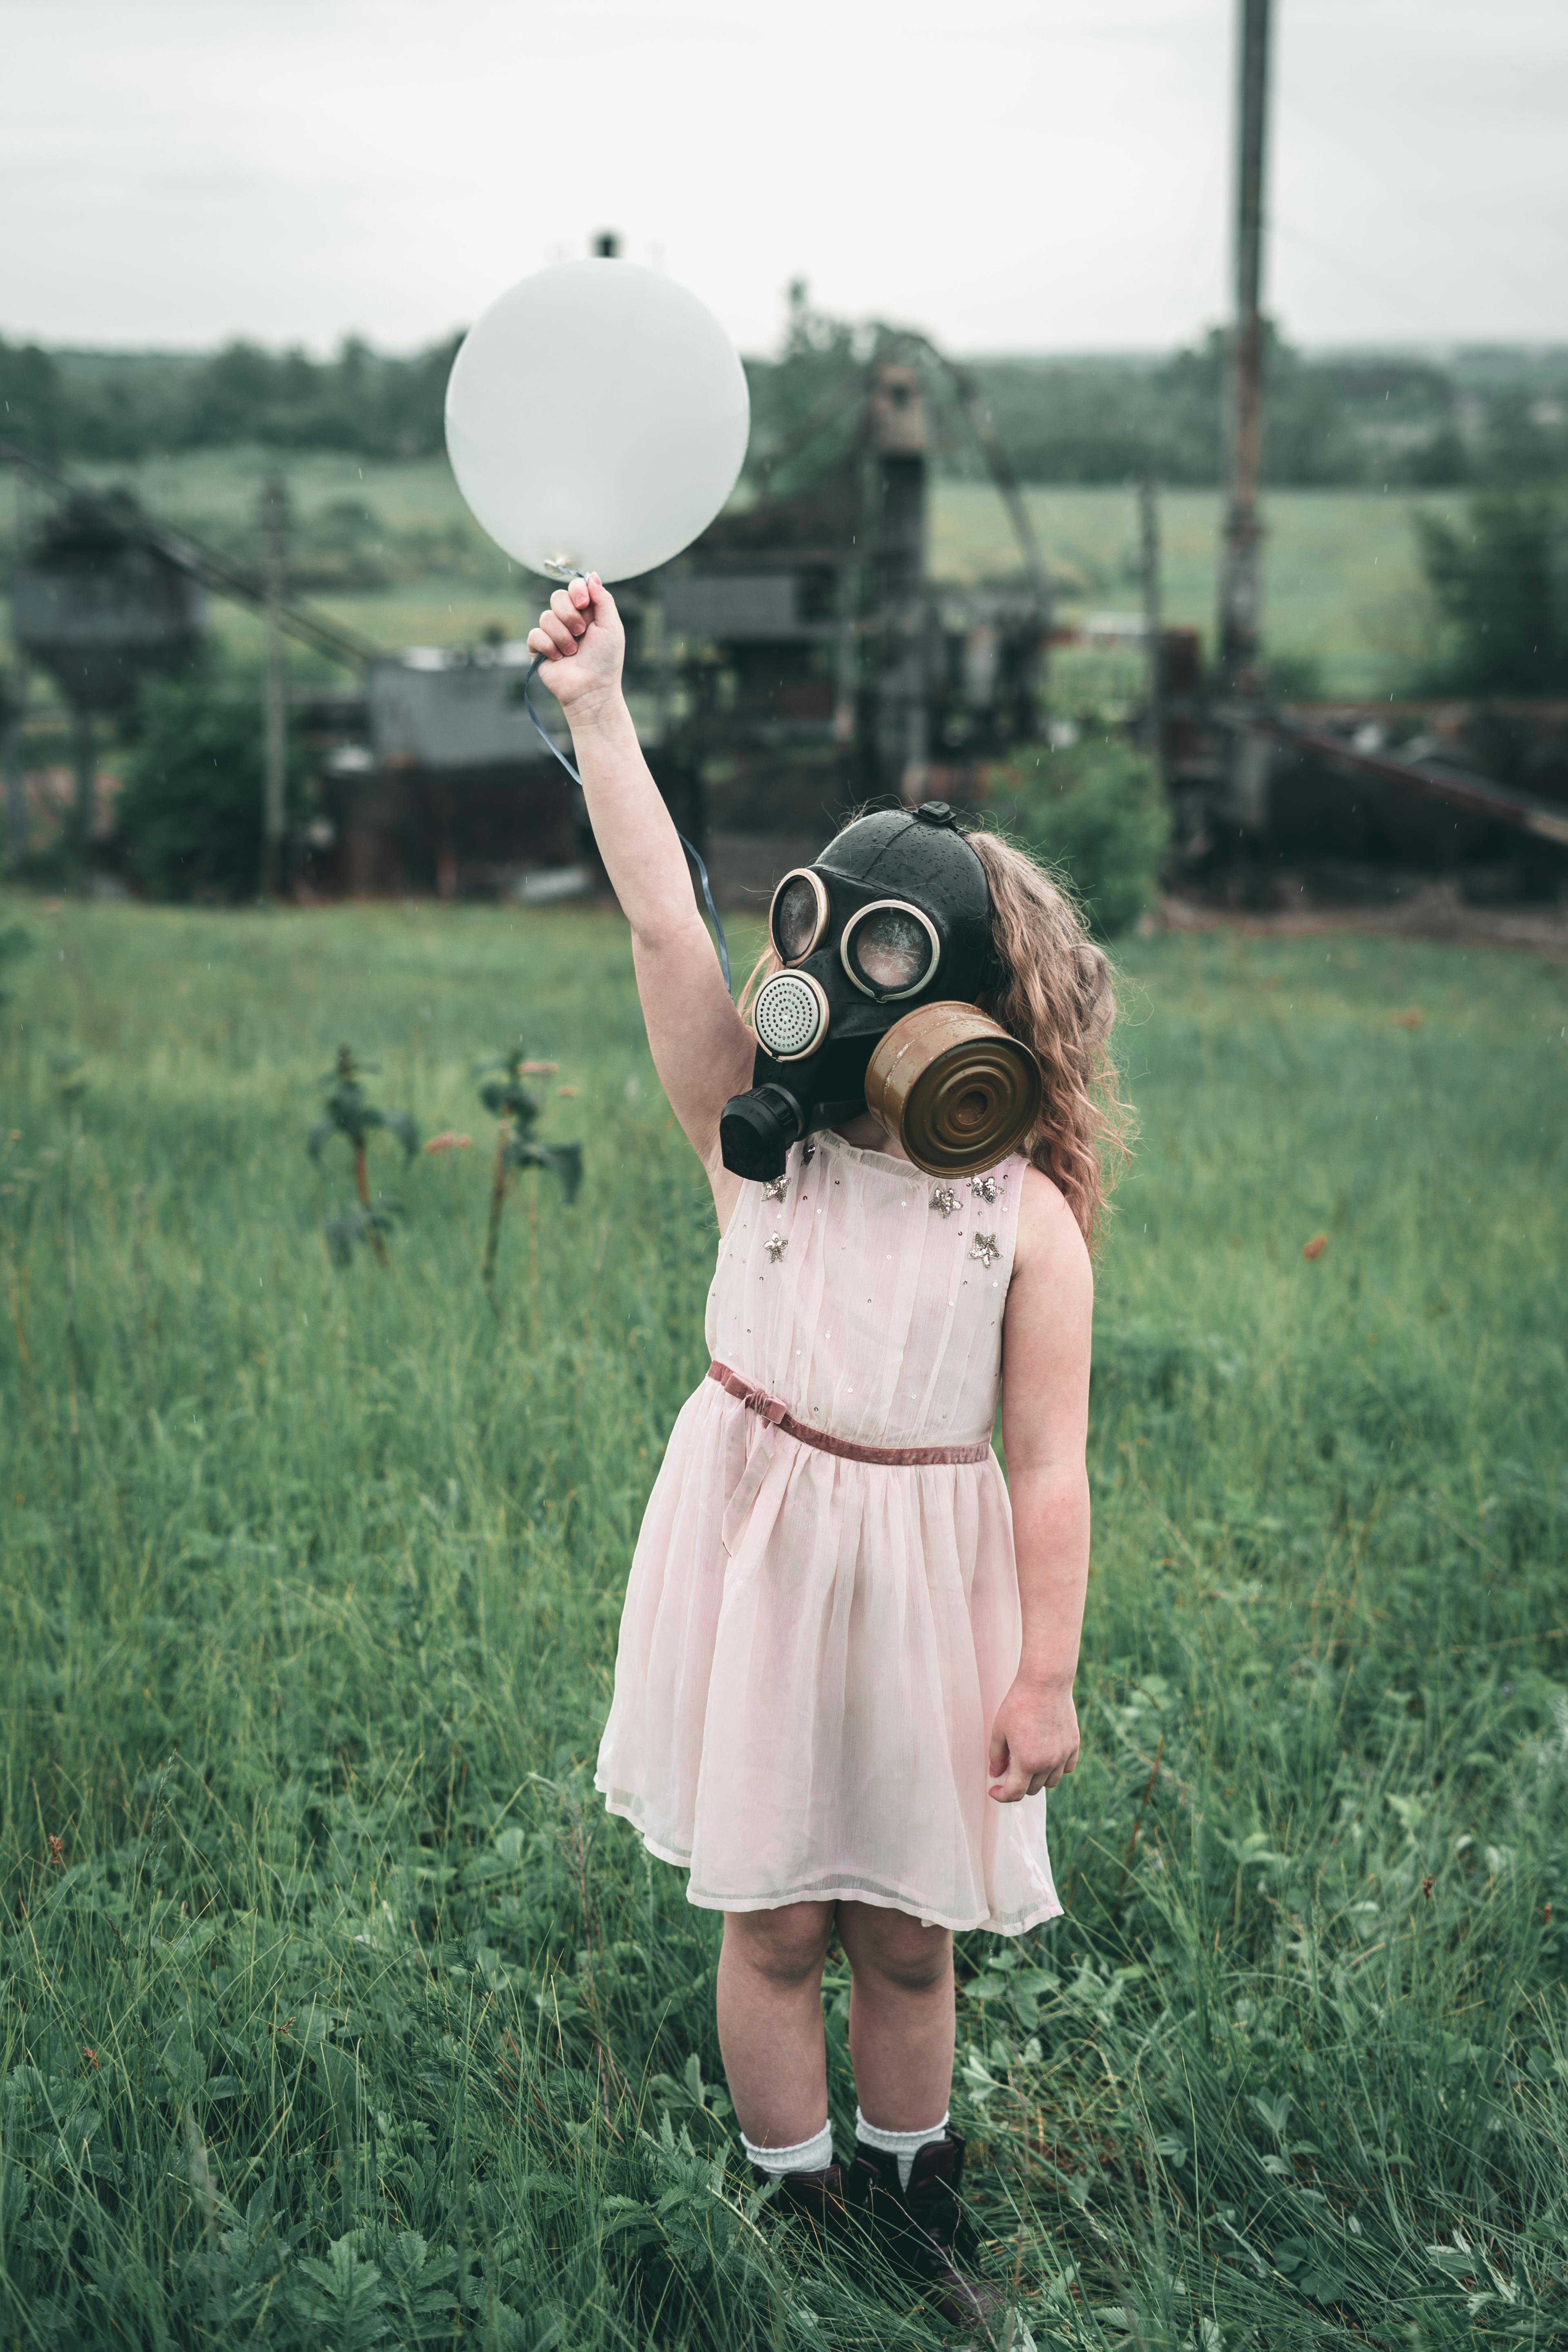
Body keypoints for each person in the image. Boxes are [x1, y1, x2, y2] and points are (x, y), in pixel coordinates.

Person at [527, 574, 1124, 2321]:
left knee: (908, 1934)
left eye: (889, 962)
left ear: (989, 1012)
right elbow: (662, 934)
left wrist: (1047, 1679)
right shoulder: (757, 1149)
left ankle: (916, 2200)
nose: (833, 1000)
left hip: (936, 1589)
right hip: (768, 1555)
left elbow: (1053, 1465)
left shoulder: (1023, 1222)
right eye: (826, 949)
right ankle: (792, 2211)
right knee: (779, 1920)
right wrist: (599, 714)